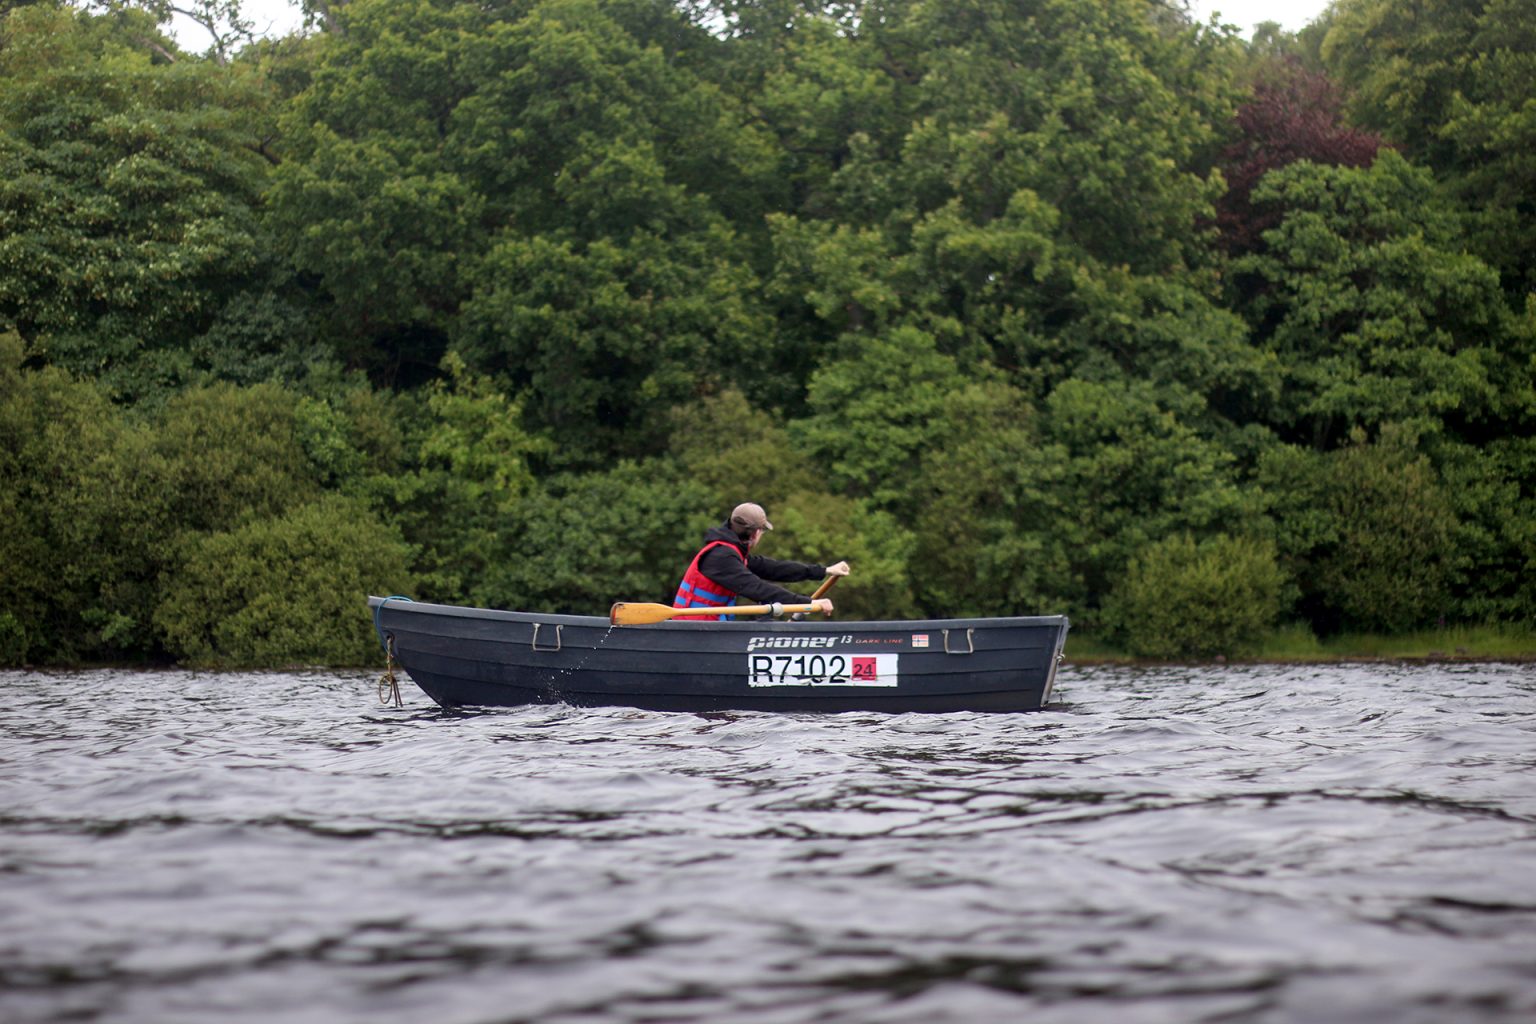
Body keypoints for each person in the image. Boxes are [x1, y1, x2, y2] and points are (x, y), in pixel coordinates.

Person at [673, 502, 850, 620]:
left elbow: (772, 569)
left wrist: (824, 571)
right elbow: (757, 588)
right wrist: (808, 603)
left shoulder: (730, 552)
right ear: (755, 533)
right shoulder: (721, 557)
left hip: (707, 627)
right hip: (694, 630)